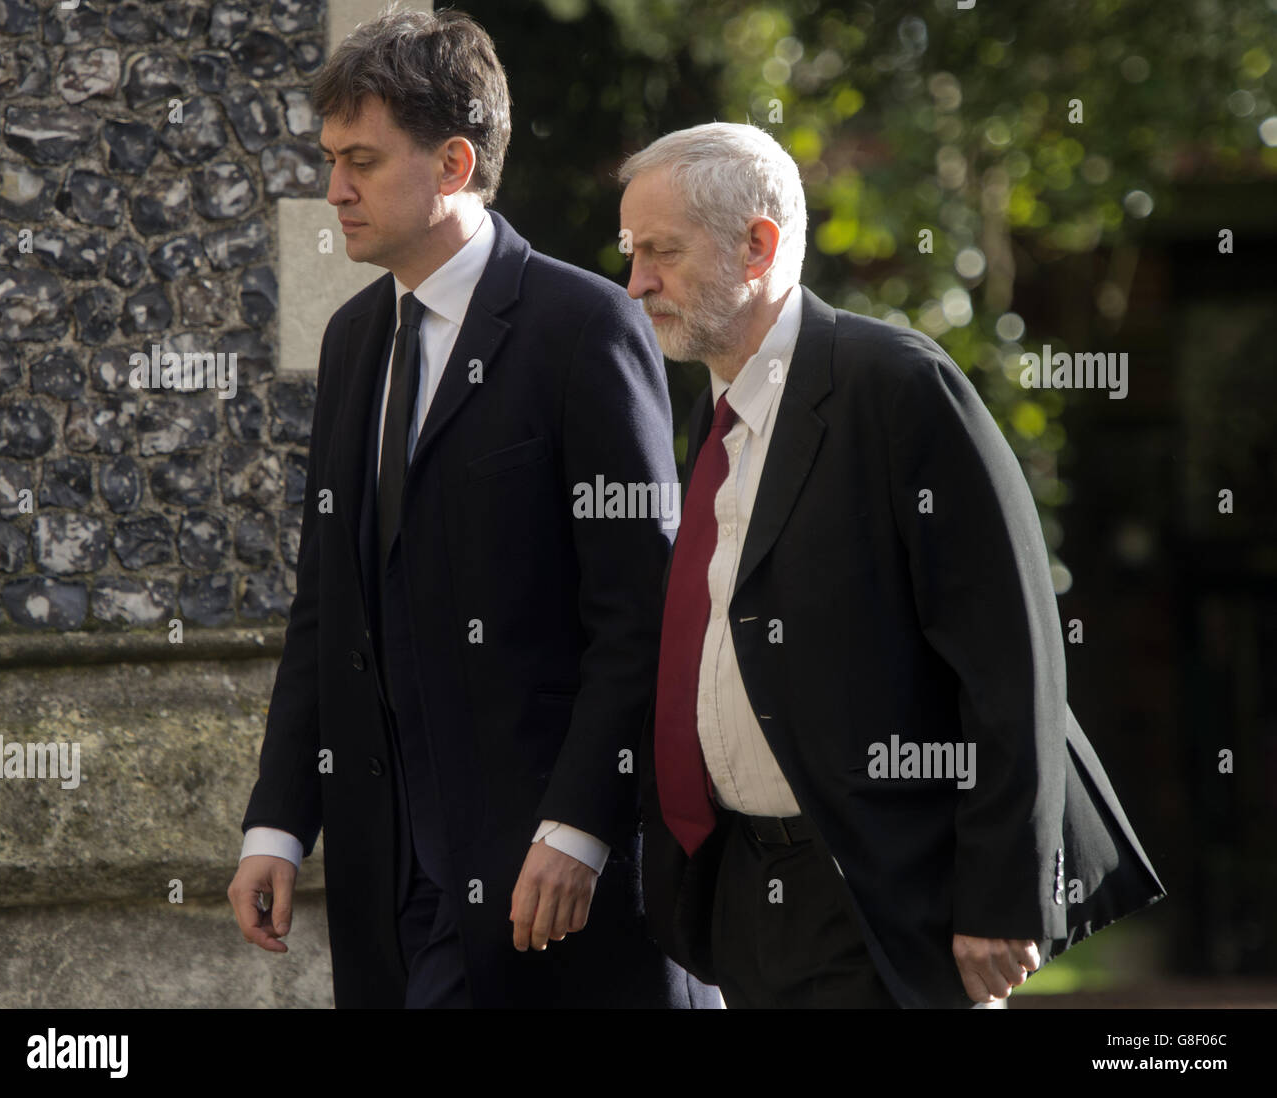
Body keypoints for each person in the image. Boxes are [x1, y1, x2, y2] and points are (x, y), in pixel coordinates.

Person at [227, 8, 716, 1010]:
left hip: (550, 889)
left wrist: (580, 826)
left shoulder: (586, 328)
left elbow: (645, 615)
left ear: (453, 165)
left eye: (361, 160)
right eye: (330, 159)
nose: (335, 191)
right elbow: (328, 607)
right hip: (390, 889)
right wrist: (279, 824)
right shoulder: (354, 339)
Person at [619, 122, 1166, 1009]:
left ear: (758, 247)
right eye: (633, 251)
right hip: (749, 896)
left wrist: (1000, 895)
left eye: (662, 251)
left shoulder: (898, 385)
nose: (637, 280)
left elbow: (1011, 656)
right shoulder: (710, 419)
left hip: (879, 896)